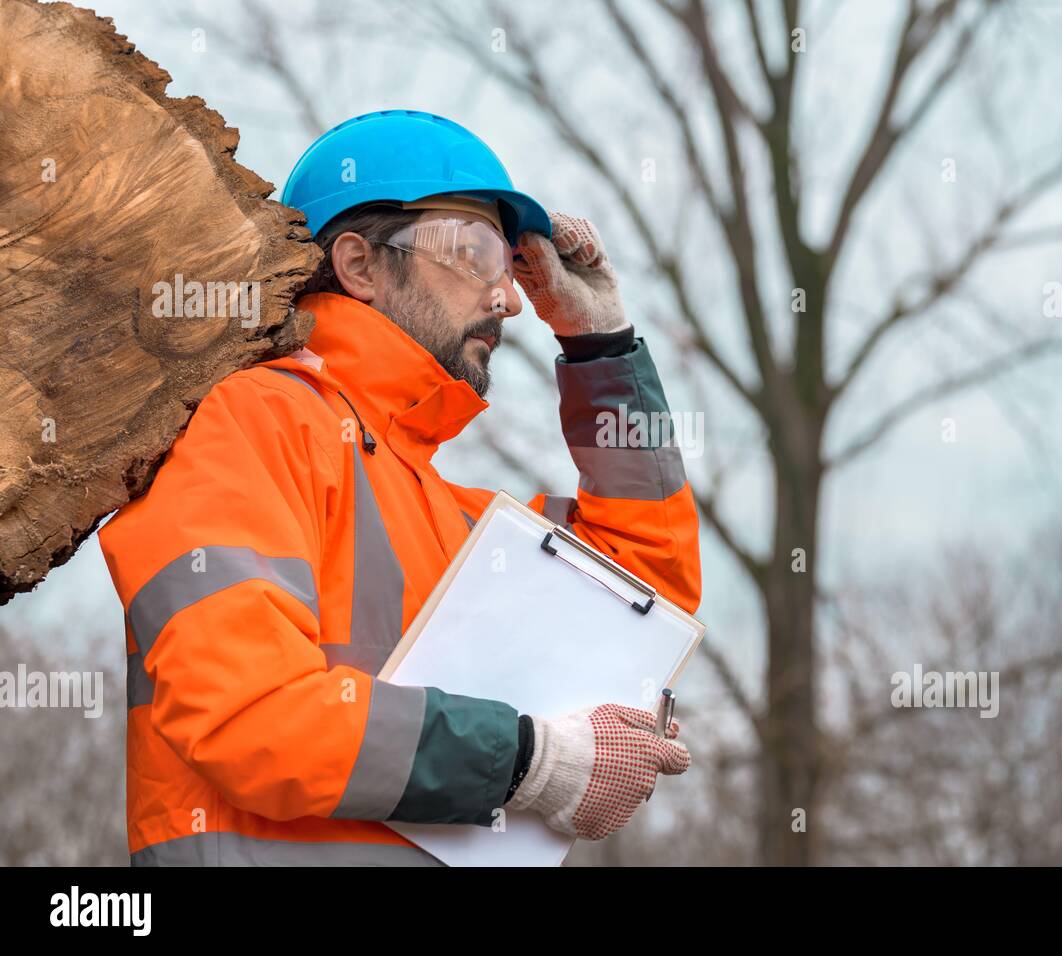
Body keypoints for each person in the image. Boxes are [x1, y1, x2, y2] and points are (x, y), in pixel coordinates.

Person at [98, 110, 701, 865]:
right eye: (477, 253)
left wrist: (602, 347)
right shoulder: (249, 421)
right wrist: (528, 761)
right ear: (359, 266)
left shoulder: (448, 511)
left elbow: (646, 599)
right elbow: (249, 715)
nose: (509, 299)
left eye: (510, 264)